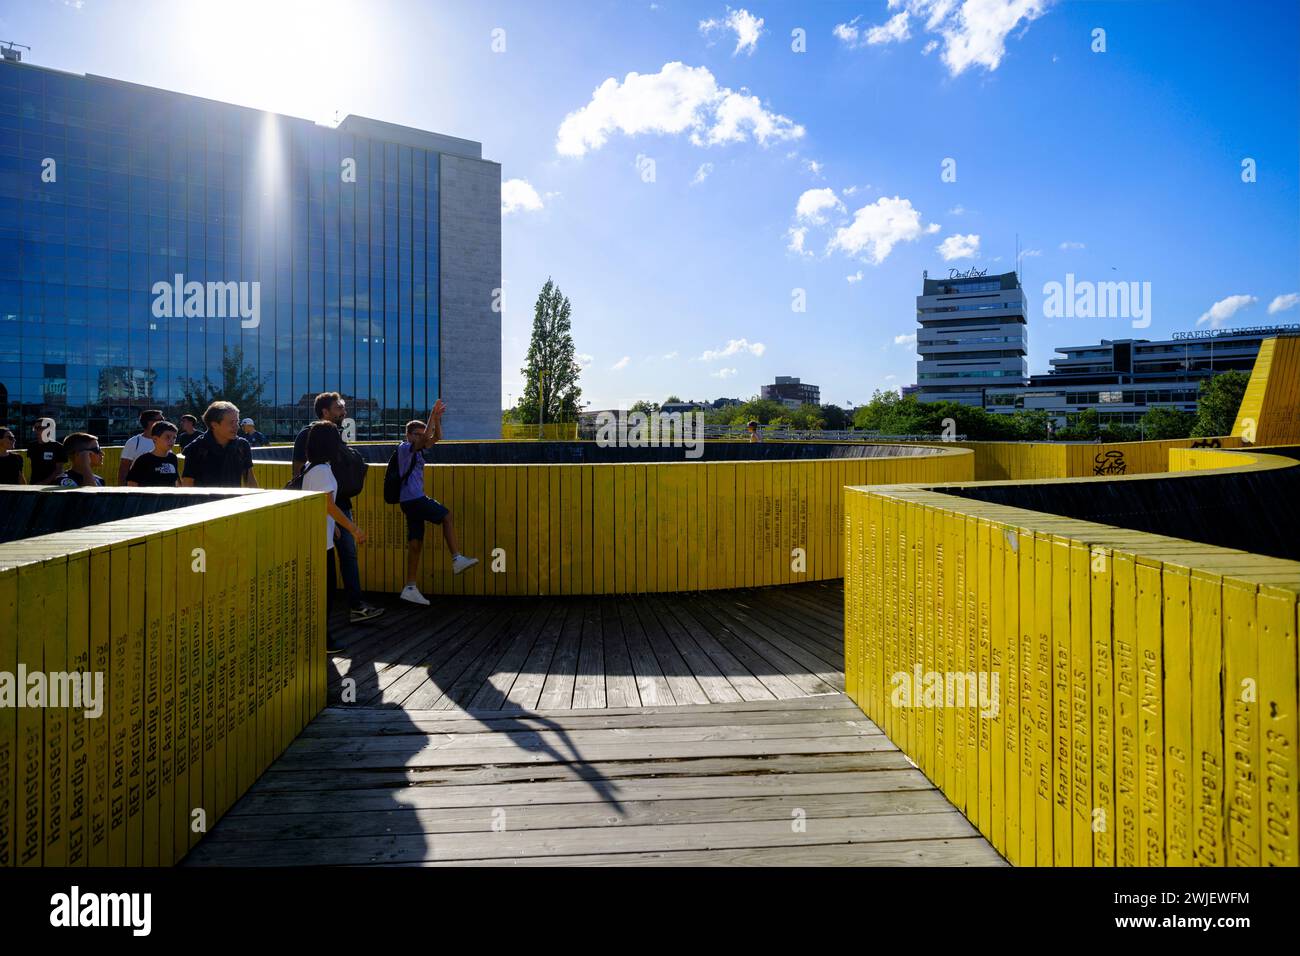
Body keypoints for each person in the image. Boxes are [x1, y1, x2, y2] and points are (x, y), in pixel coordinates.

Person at [292, 392, 383, 623]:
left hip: (337, 505)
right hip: (327, 508)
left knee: (347, 556)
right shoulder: (312, 435)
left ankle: (354, 606)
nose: (344, 412)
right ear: (325, 411)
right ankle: (321, 620)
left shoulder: (334, 435)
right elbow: (300, 473)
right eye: (339, 408)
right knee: (329, 564)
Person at [396, 401, 477, 605]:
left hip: (410, 501)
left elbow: (437, 438)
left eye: (421, 433)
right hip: (414, 499)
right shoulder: (405, 449)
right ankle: (457, 558)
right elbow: (426, 438)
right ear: (408, 435)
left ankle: (410, 587)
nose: (421, 436)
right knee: (446, 515)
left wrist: (437, 420)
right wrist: (432, 414)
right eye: (416, 433)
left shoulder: (418, 450)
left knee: (416, 543)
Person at [181, 401, 258, 489]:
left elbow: (250, 479)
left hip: (235, 502)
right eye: (231, 422)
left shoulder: (242, 445)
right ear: (214, 425)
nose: (236, 426)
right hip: (205, 502)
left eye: (237, 422)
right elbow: (187, 484)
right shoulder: (196, 448)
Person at [126, 420, 181, 487]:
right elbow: (132, 484)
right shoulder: (143, 460)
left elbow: (177, 483)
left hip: (169, 497)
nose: (172, 441)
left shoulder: (173, 458)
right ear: (155, 439)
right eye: (168, 437)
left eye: (174, 437)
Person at [119, 408, 164, 484]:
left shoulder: (165, 441)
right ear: (150, 422)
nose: (164, 423)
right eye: (161, 420)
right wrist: (122, 492)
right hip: (139, 492)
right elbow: (123, 470)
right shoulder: (133, 442)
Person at [25, 417, 66, 484]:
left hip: (52, 485)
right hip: (34, 484)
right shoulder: (31, 446)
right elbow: (31, 466)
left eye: (40, 428)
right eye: (35, 428)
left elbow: (59, 470)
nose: (36, 430)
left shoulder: (58, 447)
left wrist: (44, 482)